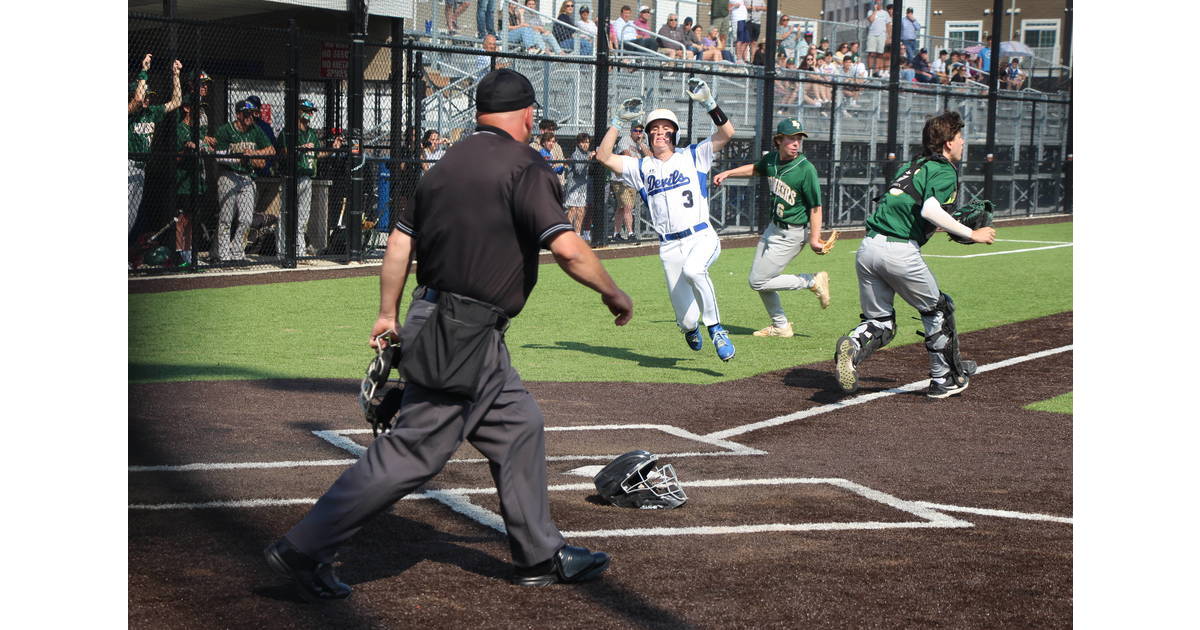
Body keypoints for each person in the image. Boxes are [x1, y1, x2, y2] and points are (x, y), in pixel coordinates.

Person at [264, 68, 633, 599]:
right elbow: (568, 248)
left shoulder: (444, 165)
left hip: (440, 320)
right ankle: (304, 548)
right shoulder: (526, 165)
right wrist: (612, 291)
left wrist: (387, 313)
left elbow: (398, 242)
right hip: (465, 330)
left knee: (519, 423)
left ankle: (539, 555)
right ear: (527, 113)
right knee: (414, 451)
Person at [832, 111, 996, 400]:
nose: (963, 142)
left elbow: (912, 208)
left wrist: (947, 223)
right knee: (938, 309)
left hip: (868, 247)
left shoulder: (912, 166)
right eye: (959, 137)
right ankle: (943, 378)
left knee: (880, 322)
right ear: (947, 143)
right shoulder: (944, 170)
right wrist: (972, 233)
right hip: (899, 251)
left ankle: (853, 346)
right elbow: (929, 210)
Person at [596, 80, 738, 361]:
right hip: (669, 247)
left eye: (665, 128)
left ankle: (717, 329)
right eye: (654, 129)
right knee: (686, 320)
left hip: (700, 236)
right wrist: (616, 122)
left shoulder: (693, 155)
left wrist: (710, 104)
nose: (660, 132)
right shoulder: (641, 167)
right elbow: (603, 156)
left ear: (675, 133)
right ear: (648, 136)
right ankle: (691, 328)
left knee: (696, 271)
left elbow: (727, 133)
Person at [712, 119, 831, 338]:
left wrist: (815, 238)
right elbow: (756, 168)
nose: (796, 143)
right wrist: (729, 173)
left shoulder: (805, 169)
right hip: (773, 229)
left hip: (792, 233)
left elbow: (816, 207)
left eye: (799, 139)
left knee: (758, 281)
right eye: (791, 138)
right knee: (761, 281)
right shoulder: (773, 159)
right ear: (779, 140)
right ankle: (781, 326)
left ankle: (812, 281)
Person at [274, 99, 343, 259]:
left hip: (307, 178)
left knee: (302, 218)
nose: (310, 114)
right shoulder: (288, 131)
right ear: (299, 111)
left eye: (311, 111)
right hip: (291, 177)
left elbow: (317, 154)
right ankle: (282, 251)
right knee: (286, 215)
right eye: (307, 110)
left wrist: (332, 149)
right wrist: (299, 149)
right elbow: (283, 153)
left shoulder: (311, 133)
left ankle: (298, 251)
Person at [213, 100, 275, 261]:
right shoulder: (226, 130)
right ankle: (223, 254)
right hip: (228, 175)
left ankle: (237, 251)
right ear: (238, 114)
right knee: (226, 218)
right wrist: (240, 158)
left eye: (253, 113)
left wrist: (253, 154)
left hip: (247, 177)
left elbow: (271, 150)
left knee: (247, 218)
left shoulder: (255, 130)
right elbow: (219, 156)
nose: (250, 117)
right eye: (247, 114)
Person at [129, 53, 182, 235]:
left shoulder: (151, 112)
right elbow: (136, 100)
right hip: (127, 164)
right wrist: (144, 70)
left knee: (131, 216)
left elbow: (176, 101)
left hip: (142, 167)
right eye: (145, 96)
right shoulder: (129, 113)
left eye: (149, 97)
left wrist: (176, 75)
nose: (147, 100)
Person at [173, 98, 214, 268]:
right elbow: (176, 157)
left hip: (198, 181)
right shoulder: (181, 128)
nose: (200, 113)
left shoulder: (199, 131)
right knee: (182, 219)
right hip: (184, 182)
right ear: (187, 108)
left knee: (192, 218)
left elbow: (208, 148)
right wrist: (187, 148)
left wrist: (208, 145)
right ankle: (178, 252)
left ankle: (189, 252)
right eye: (197, 108)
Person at [608, 122, 649, 241]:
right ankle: (630, 233)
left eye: (640, 131)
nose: (638, 133)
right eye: (636, 131)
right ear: (631, 131)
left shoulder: (641, 143)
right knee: (628, 206)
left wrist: (641, 143)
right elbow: (626, 155)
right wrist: (639, 160)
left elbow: (650, 156)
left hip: (633, 179)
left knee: (622, 207)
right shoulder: (625, 140)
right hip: (620, 179)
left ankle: (616, 233)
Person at [565, 133, 593, 235]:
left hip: (583, 186)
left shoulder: (588, 154)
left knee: (581, 210)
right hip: (574, 186)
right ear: (578, 143)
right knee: (572, 209)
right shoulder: (575, 154)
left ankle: (577, 233)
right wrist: (588, 160)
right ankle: (567, 233)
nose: (585, 145)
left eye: (587, 142)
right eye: (583, 142)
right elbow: (578, 170)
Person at [245, 95, 278, 177]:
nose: (251, 114)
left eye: (254, 111)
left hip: (263, 167)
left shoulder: (264, 126)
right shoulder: (241, 125)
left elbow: (272, 148)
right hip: (247, 167)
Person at [865, 2, 890, 76]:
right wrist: (875, 11)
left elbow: (888, 25)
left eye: (879, 2)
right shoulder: (870, 12)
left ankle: (877, 70)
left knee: (880, 54)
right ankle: (870, 71)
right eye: (877, 2)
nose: (878, 4)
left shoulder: (885, 13)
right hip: (872, 34)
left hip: (882, 35)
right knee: (871, 53)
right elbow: (871, 20)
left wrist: (888, 36)